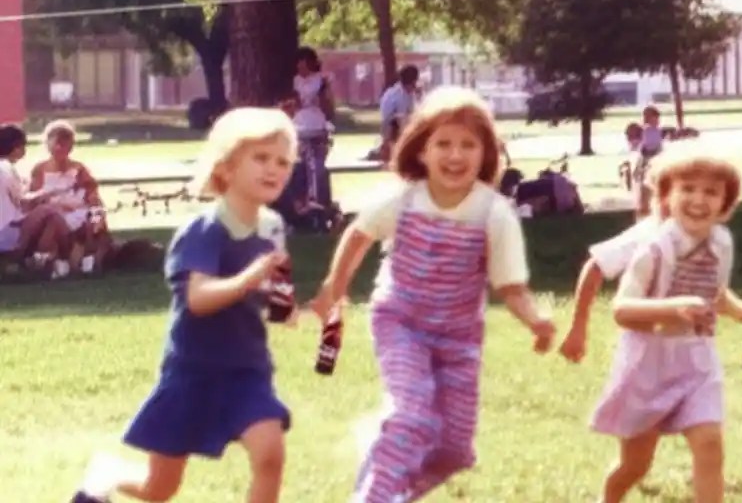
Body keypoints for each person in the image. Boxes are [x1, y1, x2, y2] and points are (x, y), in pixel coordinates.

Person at [310, 86, 555, 502]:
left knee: (455, 450)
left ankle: (387, 471)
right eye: (443, 143)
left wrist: (535, 320)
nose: (455, 156)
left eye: (468, 145)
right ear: (421, 150)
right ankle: (374, 495)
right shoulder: (403, 199)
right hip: (400, 322)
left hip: (459, 340)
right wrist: (334, 290)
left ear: (485, 154)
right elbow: (357, 236)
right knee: (413, 413)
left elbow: (511, 286)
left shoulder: (493, 213)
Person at [70, 107, 297, 503]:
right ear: (225, 167)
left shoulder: (272, 227)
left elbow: (274, 296)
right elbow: (198, 300)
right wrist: (250, 278)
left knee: (270, 453)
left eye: (283, 161)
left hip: (246, 370)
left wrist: (291, 308)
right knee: (160, 489)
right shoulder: (203, 230)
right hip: (192, 371)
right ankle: (109, 475)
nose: (273, 169)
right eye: (260, 158)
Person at [589, 142, 742, 503]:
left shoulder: (721, 243)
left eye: (711, 192)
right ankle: (608, 498)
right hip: (647, 365)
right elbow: (621, 309)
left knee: (710, 445)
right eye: (687, 189)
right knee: (635, 466)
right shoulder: (654, 249)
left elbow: (714, 294)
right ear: (666, 196)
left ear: (726, 203)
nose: (699, 200)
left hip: (697, 363)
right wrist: (673, 308)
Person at [560, 154, 662, 363]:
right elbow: (596, 265)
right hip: (646, 349)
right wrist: (578, 328)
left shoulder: (708, 237)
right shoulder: (650, 232)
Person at [30, 120, 114, 276]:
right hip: (53, 210)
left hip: (77, 209)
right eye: (58, 144)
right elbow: (35, 196)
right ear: (48, 144)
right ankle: (56, 260)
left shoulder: (78, 168)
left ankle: (88, 261)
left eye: (66, 145)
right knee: (53, 222)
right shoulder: (40, 169)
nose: (61, 149)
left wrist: (96, 209)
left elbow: (91, 193)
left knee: (92, 219)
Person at [0, 124, 72, 272]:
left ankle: (43, 259)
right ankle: (64, 260)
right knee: (50, 212)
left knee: (52, 220)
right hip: (6, 231)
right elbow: (24, 202)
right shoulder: (5, 168)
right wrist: (47, 192)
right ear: (16, 148)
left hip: (7, 228)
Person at [292, 47, 336, 209]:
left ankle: (320, 203)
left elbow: (329, 108)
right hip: (299, 128)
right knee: (300, 169)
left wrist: (322, 96)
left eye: (304, 63)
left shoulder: (322, 81)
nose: (301, 67)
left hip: (317, 127)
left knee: (318, 169)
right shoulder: (294, 81)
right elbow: (293, 105)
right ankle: (302, 205)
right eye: (299, 64)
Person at [378, 65, 421, 157]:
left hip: (403, 126)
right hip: (392, 127)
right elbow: (389, 117)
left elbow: (414, 111)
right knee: (402, 119)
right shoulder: (394, 95)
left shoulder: (410, 94)